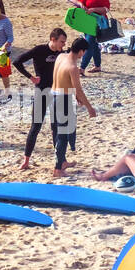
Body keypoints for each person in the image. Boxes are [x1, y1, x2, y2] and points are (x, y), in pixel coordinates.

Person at [13, 27, 68, 169]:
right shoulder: (39, 50)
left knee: (56, 126)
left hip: (56, 93)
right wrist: (31, 77)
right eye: (62, 42)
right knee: (35, 126)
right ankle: (26, 161)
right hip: (41, 92)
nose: (63, 45)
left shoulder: (62, 53)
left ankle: (61, 160)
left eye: (64, 42)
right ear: (53, 39)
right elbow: (17, 62)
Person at [51, 39, 96, 176]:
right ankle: (58, 169)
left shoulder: (61, 56)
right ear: (81, 51)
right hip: (63, 100)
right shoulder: (73, 68)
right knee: (63, 135)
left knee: (56, 131)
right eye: (84, 52)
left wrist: (74, 94)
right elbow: (79, 90)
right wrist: (90, 108)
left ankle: (62, 161)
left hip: (53, 96)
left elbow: (61, 79)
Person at [68, 0, 110, 75]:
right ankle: (97, 66)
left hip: (96, 23)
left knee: (89, 44)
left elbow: (106, 9)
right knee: (94, 45)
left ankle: (82, 69)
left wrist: (93, 9)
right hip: (85, 22)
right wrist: (80, 4)